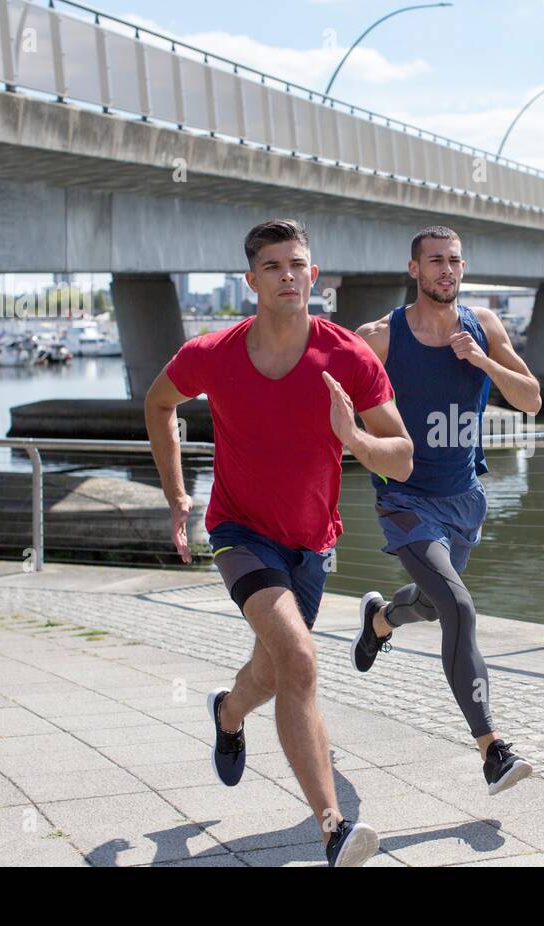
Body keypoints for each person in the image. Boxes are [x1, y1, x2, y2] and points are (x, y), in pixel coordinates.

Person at [145, 219, 413, 867]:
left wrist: (355, 440)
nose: (287, 275)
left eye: (297, 264)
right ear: (251, 281)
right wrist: (177, 494)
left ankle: (227, 713)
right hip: (238, 531)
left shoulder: (347, 356)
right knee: (300, 660)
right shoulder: (213, 354)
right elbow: (158, 405)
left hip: (311, 546)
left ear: (314, 276)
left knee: (271, 673)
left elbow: (401, 457)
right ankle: (333, 829)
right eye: (272, 266)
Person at [351, 225, 543, 796]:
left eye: (454, 261)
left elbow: (530, 400)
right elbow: (330, 402)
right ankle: (493, 750)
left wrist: (483, 363)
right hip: (405, 498)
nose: (446, 270)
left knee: (436, 607)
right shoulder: (381, 337)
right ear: (413, 269)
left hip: (464, 498)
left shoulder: (483, 327)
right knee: (458, 605)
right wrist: (362, 446)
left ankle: (380, 620)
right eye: (434, 261)